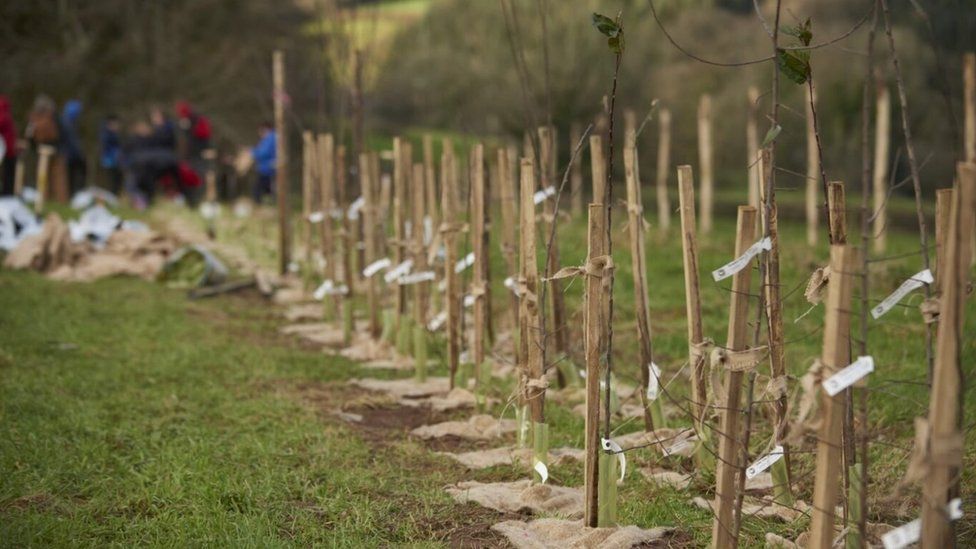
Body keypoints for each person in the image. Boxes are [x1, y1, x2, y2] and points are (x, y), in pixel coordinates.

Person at [60, 99, 86, 195]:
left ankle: (74, 193)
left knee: (73, 174)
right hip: (70, 155)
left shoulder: (69, 122)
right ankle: (72, 193)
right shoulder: (67, 123)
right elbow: (71, 141)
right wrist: (79, 154)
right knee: (71, 175)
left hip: (71, 154)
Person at [251, 122, 276, 204]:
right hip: (267, 168)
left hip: (267, 168)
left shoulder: (270, 138)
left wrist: (252, 152)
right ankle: (269, 202)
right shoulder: (272, 138)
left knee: (257, 188)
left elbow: (263, 153)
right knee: (267, 188)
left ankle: (258, 204)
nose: (260, 134)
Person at [98, 114, 122, 194]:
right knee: (111, 180)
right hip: (110, 161)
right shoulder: (106, 134)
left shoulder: (113, 134)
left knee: (116, 180)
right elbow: (106, 147)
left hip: (114, 160)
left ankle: (115, 194)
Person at [0, 96, 17, 195]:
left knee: (8, 173)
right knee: (9, 172)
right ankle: (7, 191)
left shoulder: (3, 115)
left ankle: (7, 192)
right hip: (8, 148)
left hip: (7, 150)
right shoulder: (7, 115)